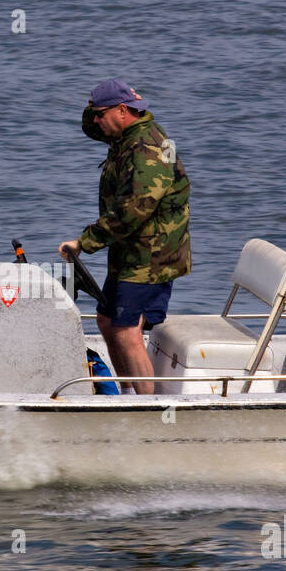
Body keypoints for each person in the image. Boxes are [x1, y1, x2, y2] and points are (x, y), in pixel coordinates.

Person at [58, 79, 190, 395]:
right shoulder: (126, 135)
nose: (96, 122)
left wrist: (85, 242)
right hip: (129, 251)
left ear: (121, 111)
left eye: (100, 114)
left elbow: (135, 209)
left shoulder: (148, 149)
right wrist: (100, 106)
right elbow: (92, 128)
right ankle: (127, 394)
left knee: (128, 330)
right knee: (106, 320)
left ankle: (150, 410)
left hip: (152, 256)